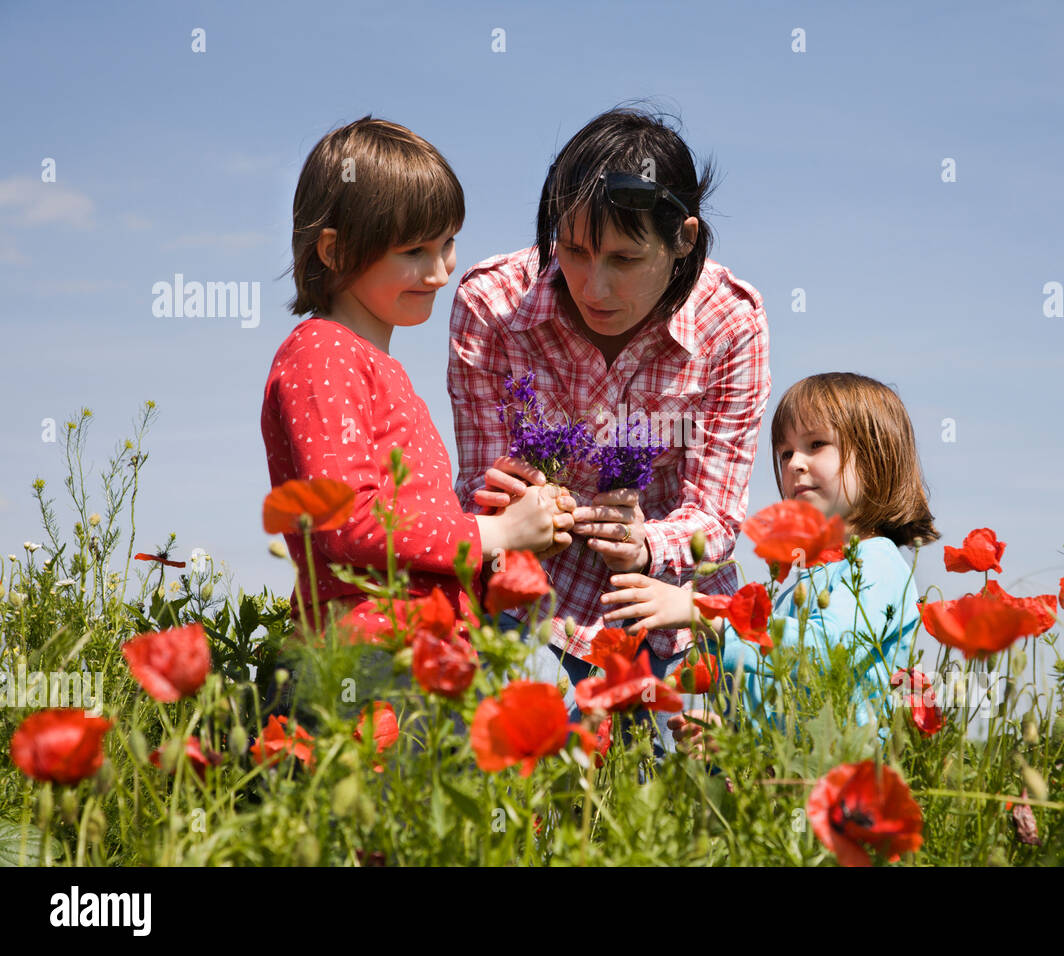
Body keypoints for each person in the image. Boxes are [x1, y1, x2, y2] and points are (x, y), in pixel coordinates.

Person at [447, 108, 771, 748]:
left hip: (662, 617)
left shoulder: (732, 323)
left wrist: (648, 542)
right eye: (574, 250)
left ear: (682, 239)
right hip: (531, 612)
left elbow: (717, 517)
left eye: (625, 258)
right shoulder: (490, 305)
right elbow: (474, 494)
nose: (594, 285)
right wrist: (520, 505)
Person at [261, 116, 572, 650]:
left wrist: (503, 521)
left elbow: (405, 532)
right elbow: (347, 524)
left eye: (447, 243)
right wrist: (494, 534)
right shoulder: (322, 351)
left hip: (419, 648)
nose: (440, 272)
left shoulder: (375, 364)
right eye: (413, 252)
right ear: (333, 251)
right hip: (371, 656)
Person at [597, 373, 940, 750]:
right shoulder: (803, 579)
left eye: (816, 444)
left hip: (841, 777)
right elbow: (783, 688)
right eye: (786, 452)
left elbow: (824, 655)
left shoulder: (879, 563)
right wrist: (734, 737)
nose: (795, 464)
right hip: (790, 774)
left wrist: (705, 612)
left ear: (877, 458)